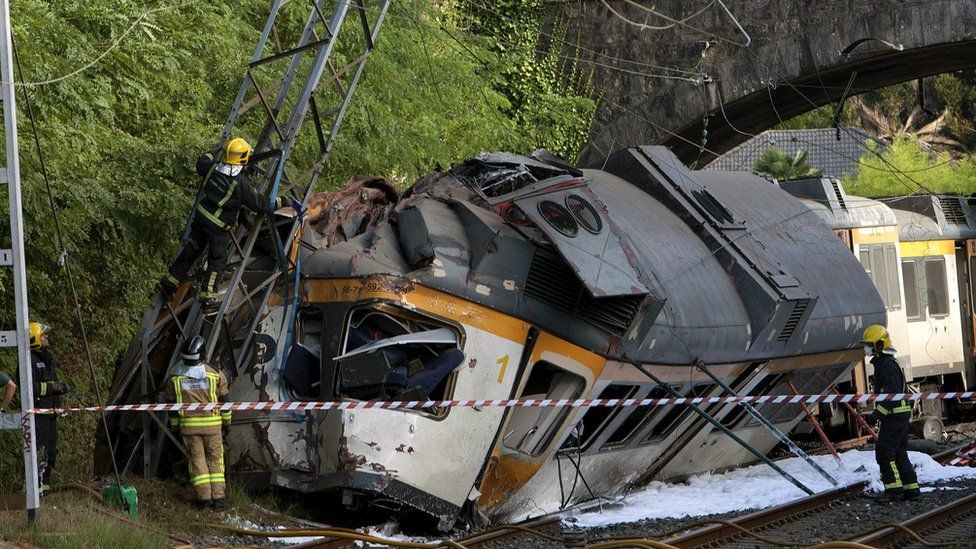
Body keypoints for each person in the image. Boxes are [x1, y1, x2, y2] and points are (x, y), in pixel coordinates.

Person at [161, 138, 288, 313]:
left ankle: (168, 283)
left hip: (201, 219)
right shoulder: (240, 183)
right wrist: (283, 201)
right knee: (217, 261)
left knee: (191, 251)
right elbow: (261, 204)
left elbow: (201, 162)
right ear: (241, 158)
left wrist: (212, 152)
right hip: (217, 228)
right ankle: (208, 299)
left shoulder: (213, 168)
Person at [166, 336, 232, 509]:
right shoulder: (216, 373)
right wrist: (227, 423)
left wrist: (174, 426)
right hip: (213, 426)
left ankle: (203, 499)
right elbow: (225, 401)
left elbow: (172, 406)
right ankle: (219, 499)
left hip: (189, 428)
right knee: (215, 460)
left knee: (197, 461)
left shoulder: (175, 376)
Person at [861, 324, 920, 501]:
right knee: (899, 453)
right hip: (897, 416)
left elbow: (892, 396)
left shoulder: (887, 365)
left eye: (869, 345)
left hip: (894, 416)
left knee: (885, 452)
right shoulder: (885, 363)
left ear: (879, 345)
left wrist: (876, 414)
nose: (867, 348)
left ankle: (893, 490)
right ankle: (912, 490)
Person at [27, 322, 68, 489]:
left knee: (50, 451)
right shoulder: (29, 361)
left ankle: (45, 485)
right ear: (35, 338)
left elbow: (52, 382)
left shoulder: (47, 358)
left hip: (50, 412)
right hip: (38, 414)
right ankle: (34, 486)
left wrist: (61, 387)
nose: (47, 338)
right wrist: (52, 388)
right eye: (43, 335)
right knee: (39, 451)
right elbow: (31, 386)